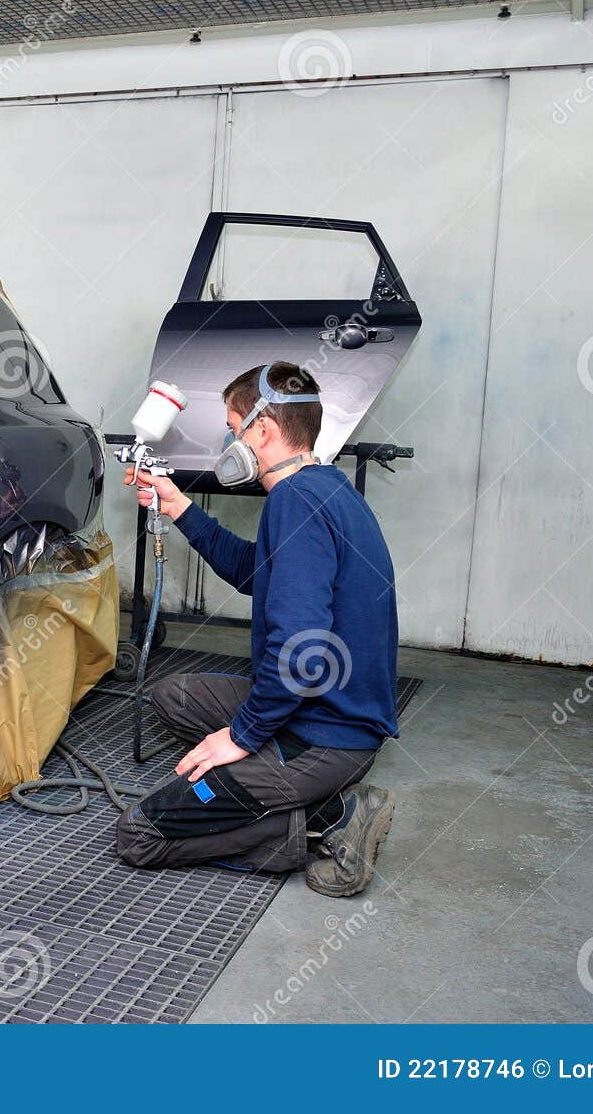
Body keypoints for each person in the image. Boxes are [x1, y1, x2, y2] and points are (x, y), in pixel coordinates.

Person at [115, 361, 399, 897]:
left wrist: (240, 737)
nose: (228, 438)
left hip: (327, 737)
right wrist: (179, 507)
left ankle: (328, 820)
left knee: (139, 835)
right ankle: (283, 785)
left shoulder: (294, 501)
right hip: (323, 709)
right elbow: (253, 571)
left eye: (232, 425)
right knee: (173, 698)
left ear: (262, 430)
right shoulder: (325, 489)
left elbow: (299, 652)